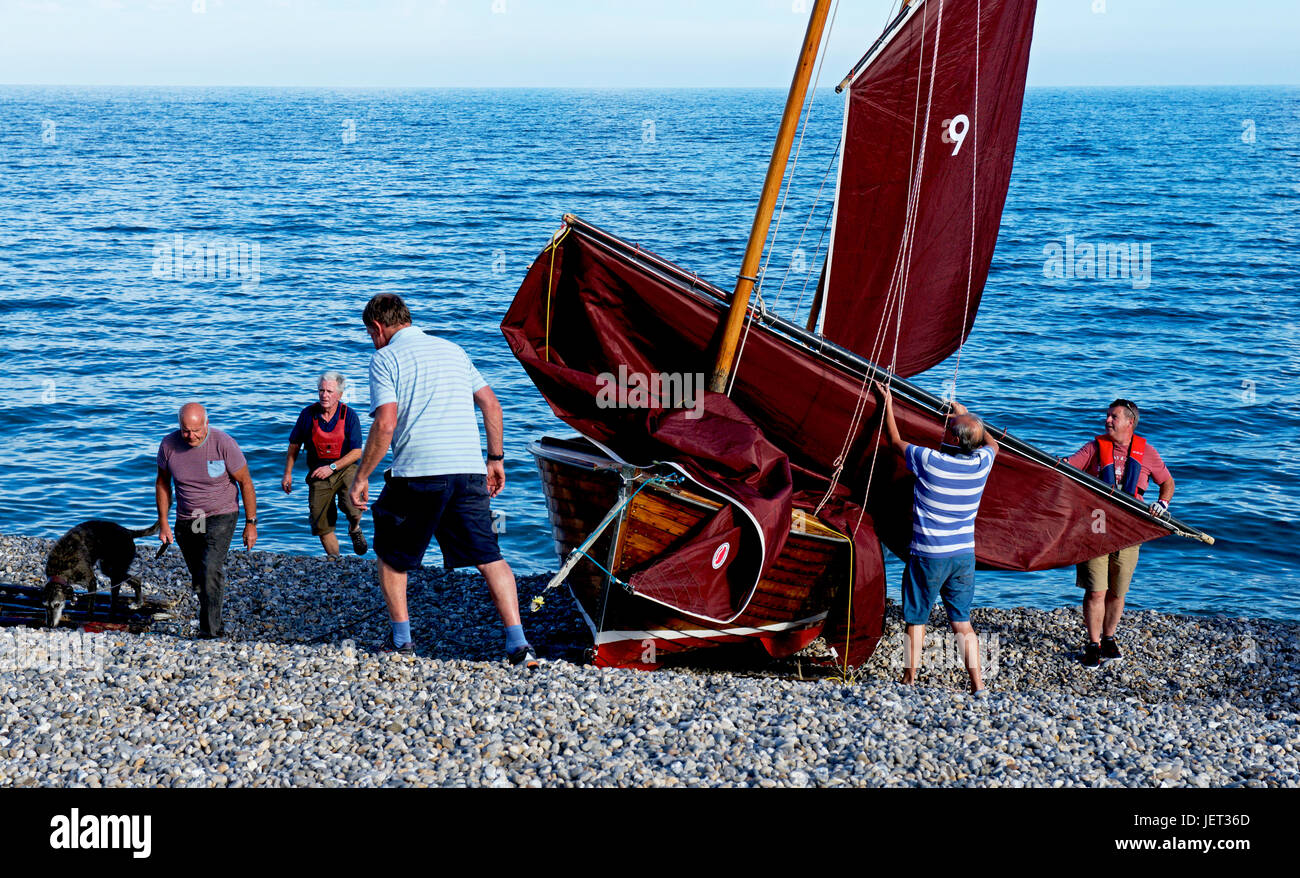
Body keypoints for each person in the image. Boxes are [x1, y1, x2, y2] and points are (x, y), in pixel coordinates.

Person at [348, 293, 537, 668]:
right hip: (467, 470)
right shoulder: (453, 349)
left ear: (377, 327)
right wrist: (496, 459)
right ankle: (519, 644)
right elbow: (492, 405)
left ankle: (402, 643)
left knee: (391, 556)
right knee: (489, 556)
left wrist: (361, 476)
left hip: (418, 474)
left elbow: (385, 423)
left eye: (371, 333)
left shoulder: (384, 358)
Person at [876, 383, 998, 694]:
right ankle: (978, 685)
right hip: (963, 556)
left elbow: (894, 441)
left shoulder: (931, 461)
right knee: (961, 621)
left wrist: (887, 403)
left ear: (954, 439)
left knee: (916, 617)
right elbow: (993, 444)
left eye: (948, 427)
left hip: (929, 554)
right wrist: (967, 415)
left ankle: (909, 678)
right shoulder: (981, 464)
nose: (943, 429)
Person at [1063, 398, 1174, 668]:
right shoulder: (1093, 448)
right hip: (1095, 528)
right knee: (1096, 590)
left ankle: (1109, 638)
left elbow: (1168, 482)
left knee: (1117, 590)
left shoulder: (1147, 452)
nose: (1107, 421)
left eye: (1114, 417)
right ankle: (1093, 644)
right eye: (1107, 416)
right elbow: (1067, 468)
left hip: (1129, 530)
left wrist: (1162, 503)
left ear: (1129, 422)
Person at [156, 402, 257, 638]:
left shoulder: (224, 444)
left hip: (220, 514)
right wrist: (163, 522)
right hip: (190, 517)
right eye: (185, 431)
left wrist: (251, 523)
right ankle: (211, 616)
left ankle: (210, 632)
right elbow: (162, 483)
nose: (191, 436)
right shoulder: (169, 445)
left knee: (211, 567)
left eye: (196, 430)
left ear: (206, 424)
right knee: (199, 575)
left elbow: (246, 482)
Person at [282, 371, 367, 557]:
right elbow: (294, 445)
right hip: (318, 472)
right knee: (321, 525)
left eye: (329, 391)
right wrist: (287, 473)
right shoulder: (307, 415)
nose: (324, 395)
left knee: (353, 508)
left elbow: (356, 452)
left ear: (340, 395)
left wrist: (332, 468)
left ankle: (354, 528)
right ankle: (337, 561)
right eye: (321, 390)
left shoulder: (350, 415)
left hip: (345, 468)